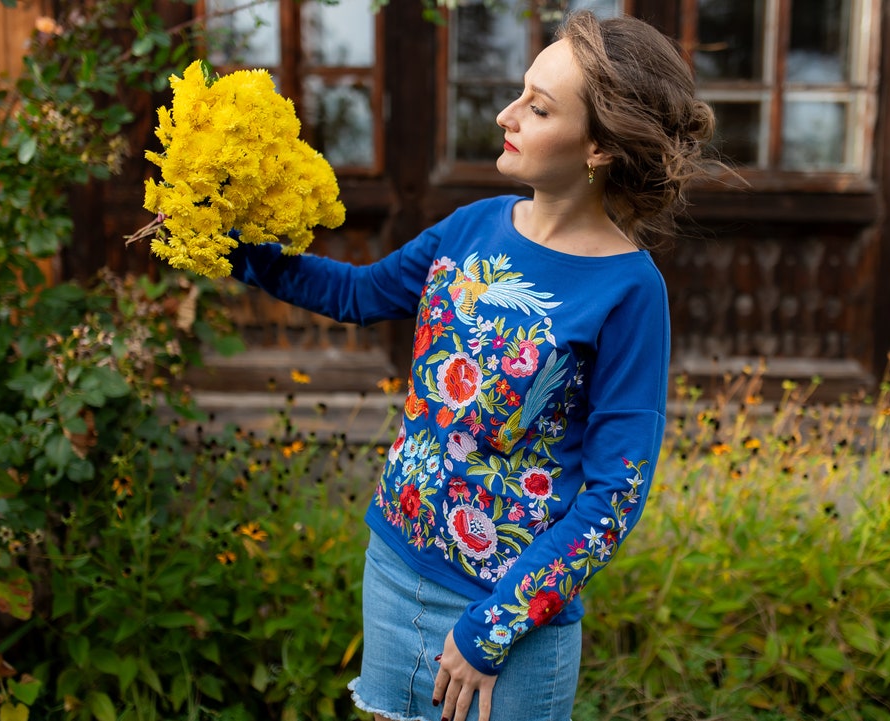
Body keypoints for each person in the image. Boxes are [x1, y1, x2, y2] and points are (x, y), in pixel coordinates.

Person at [226, 10, 714, 721]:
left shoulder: (629, 291)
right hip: (393, 568)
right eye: (521, 92)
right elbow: (360, 293)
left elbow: (615, 496)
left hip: (506, 623)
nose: (506, 114)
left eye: (539, 108)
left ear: (599, 146)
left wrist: (492, 630)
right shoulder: (475, 225)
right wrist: (235, 248)